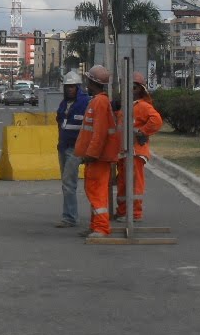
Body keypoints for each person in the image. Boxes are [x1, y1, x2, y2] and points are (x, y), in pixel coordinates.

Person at [74, 65, 120, 238]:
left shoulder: (99, 102)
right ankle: (96, 225)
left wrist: (91, 155)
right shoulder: (98, 100)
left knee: (97, 191)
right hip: (96, 157)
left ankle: (101, 227)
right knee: (93, 190)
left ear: (91, 81)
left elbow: (99, 133)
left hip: (97, 157)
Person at [115, 71, 163, 222]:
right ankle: (123, 211)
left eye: (134, 87)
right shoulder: (126, 107)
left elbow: (156, 121)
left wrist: (143, 132)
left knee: (134, 183)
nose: (130, 90)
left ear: (140, 90)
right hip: (124, 152)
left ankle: (135, 213)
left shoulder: (142, 106)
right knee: (123, 183)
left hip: (135, 152)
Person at [54, 71, 90, 228]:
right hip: (63, 147)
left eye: (72, 87)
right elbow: (60, 123)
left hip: (76, 149)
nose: (69, 90)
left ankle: (70, 217)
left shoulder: (85, 103)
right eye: (67, 87)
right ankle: (69, 215)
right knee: (66, 182)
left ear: (78, 87)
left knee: (69, 182)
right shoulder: (63, 104)